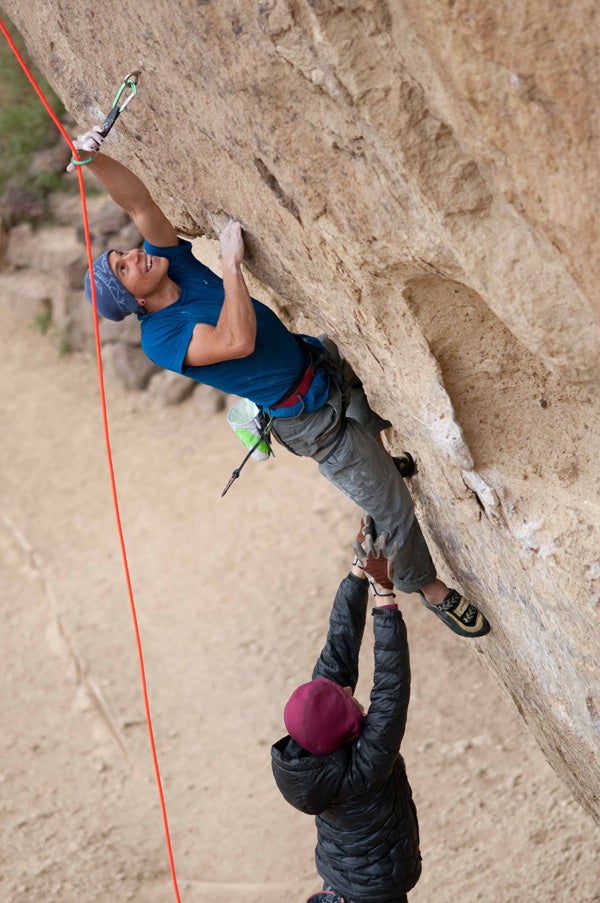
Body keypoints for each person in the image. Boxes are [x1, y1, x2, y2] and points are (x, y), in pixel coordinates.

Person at [67, 127, 490, 639]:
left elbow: (138, 204)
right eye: (124, 267)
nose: (135, 255)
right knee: (392, 506)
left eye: (124, 253)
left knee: (367, 402)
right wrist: (230, 266)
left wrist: (92, 158)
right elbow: (237, 340)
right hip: (309, 421)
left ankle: (378, 463)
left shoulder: (167, 262)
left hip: (317, 360)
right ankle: (429, 588)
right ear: (135, 301)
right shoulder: (162, 337)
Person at [271, 517, 421, 903]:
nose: (348, 689)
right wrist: (384, 596)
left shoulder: (311, 739)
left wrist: (359, 571)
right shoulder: (364, 769)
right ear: (345, 729)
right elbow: (390, 689)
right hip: (376, 890)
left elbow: (340, 641)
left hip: (342, 874)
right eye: (346, 698)